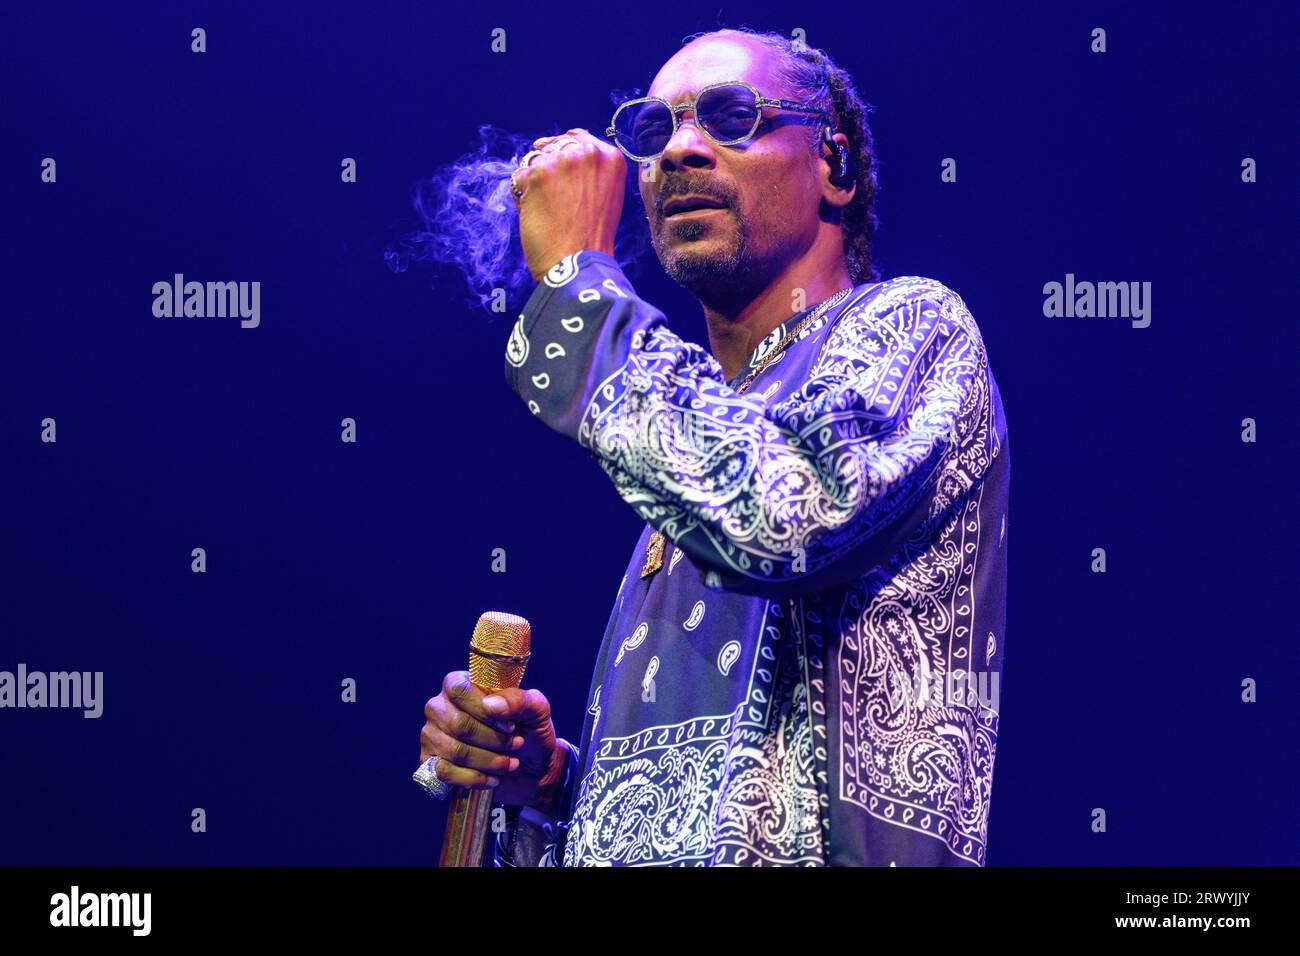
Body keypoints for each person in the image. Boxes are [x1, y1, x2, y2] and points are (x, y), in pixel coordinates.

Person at [417, 26, 1010, 866]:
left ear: (834, 168)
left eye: (732, 117)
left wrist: (579, 288)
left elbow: (788, 516)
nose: (680, 152)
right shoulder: (694, 437)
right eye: (655, 132)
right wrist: (544, 788)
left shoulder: (912, 326)